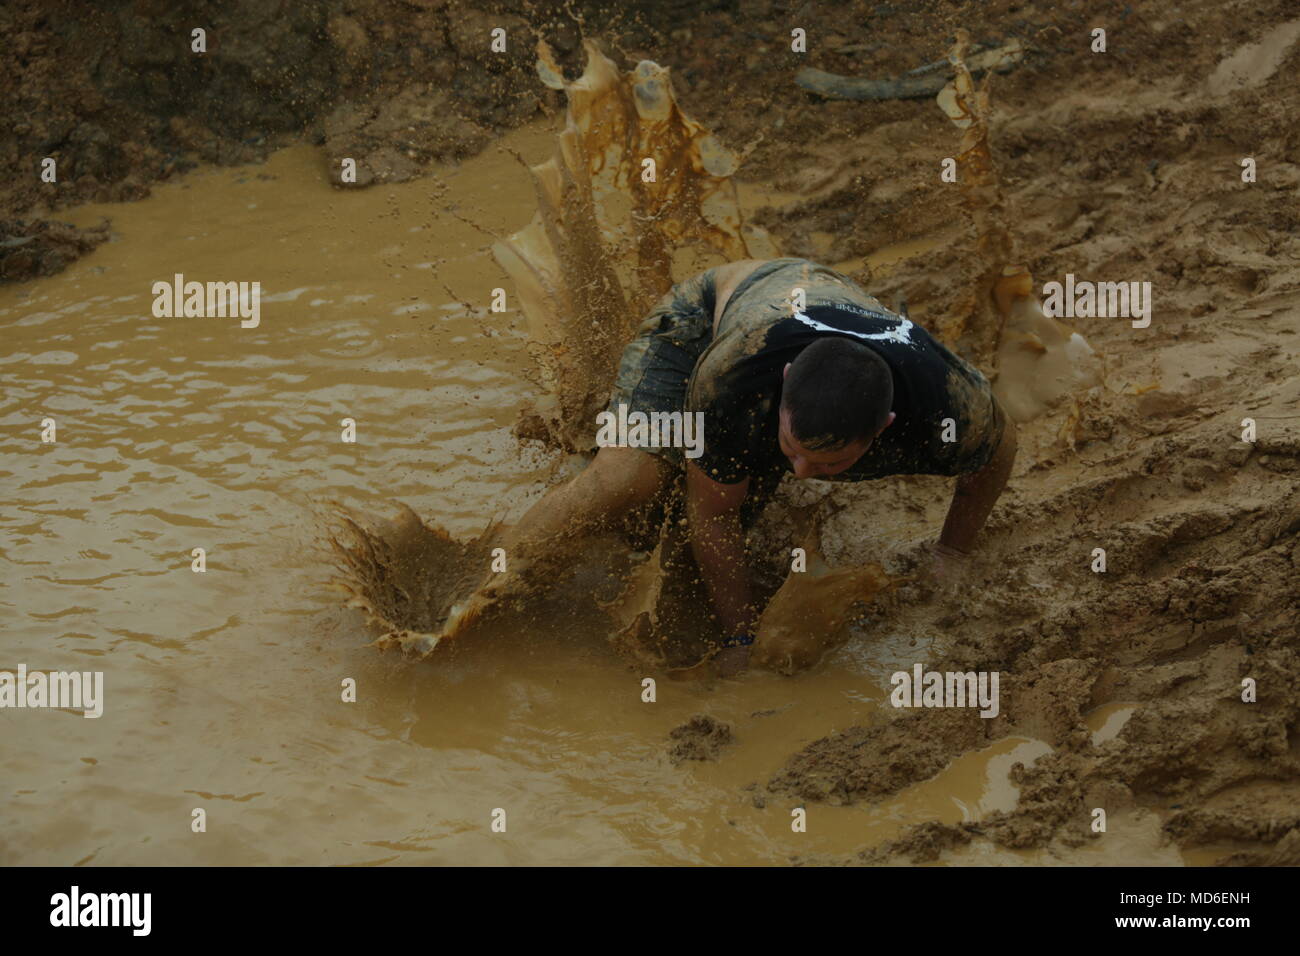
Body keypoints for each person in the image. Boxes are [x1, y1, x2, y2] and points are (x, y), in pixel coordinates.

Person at [452, 257, 1017, 675]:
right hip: (705, 321)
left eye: (828, 464)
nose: (801, 474)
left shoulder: (952, 410)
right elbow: (713, 517)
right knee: (630, 480)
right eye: (792, 451)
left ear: (887, 430)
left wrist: (950, 555)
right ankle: (479, 593)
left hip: (818, 323)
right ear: (782, 392)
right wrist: (743, 640)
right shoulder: (733, 380)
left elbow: (1000, 452)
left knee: (699, 539)